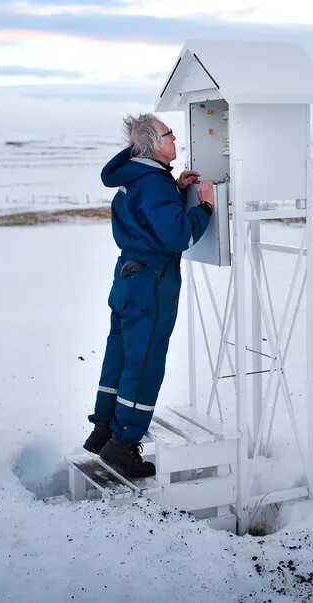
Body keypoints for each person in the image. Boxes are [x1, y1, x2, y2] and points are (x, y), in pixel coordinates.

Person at [83, 113, 215, 478]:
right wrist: (203, 207)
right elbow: (176, 237)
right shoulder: (154, 183)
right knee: (145, 362)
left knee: (121, 352)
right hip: (153, 280)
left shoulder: (139, 177)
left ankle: (103, 430)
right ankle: (123, 446)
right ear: (154, 145)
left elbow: (147, 215)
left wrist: (174, 188)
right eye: (170, 134)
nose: (176, 140)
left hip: (127, 277)